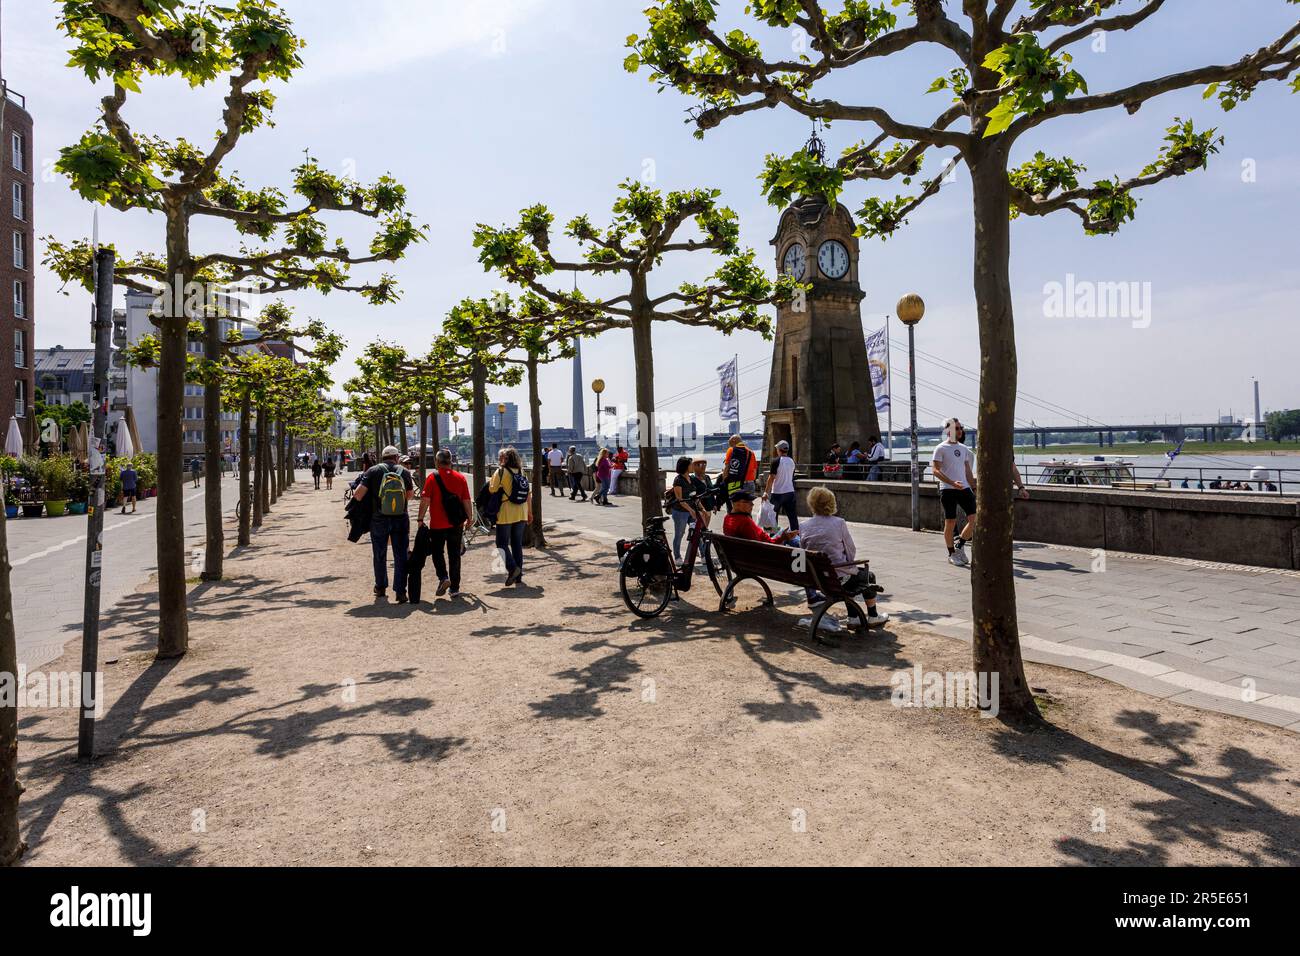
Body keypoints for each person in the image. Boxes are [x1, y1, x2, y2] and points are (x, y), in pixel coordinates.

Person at [799, 486, 889, 625]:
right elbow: (850, 551)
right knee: (868, 576)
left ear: (812, 504)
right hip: (837, 579)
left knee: (847, 576)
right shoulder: (838, 523)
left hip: (817, 579)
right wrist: (847, 563)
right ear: (831, 503)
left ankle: (854, 617)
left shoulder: (804, 526)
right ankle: (872, 616)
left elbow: (803, 552)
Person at [352, 445, 416, 601]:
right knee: (400, 555)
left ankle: (380, 587)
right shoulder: (404, 472)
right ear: (396, 457)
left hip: (378, 519)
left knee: (379, 554)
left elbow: (358, 495)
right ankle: (400, 592)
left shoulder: (372, 471)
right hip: (400, 518)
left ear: (382, 457)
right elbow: (409, 496)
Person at [418, 448, 473, 597]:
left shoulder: (432, 478)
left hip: (437, 524)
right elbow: (466, 500)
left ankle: (443, 577)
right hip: (456, 523)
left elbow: (425, 501)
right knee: (454, 554)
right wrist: (470, 517)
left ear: (437, 462)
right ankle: (454, 588)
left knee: (437, 552)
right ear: (451, 461)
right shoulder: (460, 478)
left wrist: (420, 519)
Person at [930, 417, 977, 567]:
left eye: (960, 428)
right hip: (948, 489)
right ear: (948, 430)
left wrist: (974, 487)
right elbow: (935, 470)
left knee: (975, 520)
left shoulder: (963, 449)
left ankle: (960, 546)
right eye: (956, 428)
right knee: (950, 522)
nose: (959, 430)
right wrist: (951, 483)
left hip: (964, 489)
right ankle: (951, 554)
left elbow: (968, 471)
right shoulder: (941, 448)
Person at [489, 447, 532, 585]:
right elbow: (528, 494)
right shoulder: (521, 472)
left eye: (501, 457)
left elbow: (492, 489)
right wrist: (529, 513)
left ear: (505, 459)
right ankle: (518, 576)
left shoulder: (501, 472)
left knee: (501, 543)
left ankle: (513, 569)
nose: (499, 459)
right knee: (516, 544)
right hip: (521, 511)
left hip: (506, 512)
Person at [723, 489, 798, 544]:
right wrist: (783, 538)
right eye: (748, 502)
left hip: (743, 552)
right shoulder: (745, 521)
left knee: (778, 529)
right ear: (737, 504)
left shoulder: (727, 518)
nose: (752, 504)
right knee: (794, 539)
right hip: (765, 549)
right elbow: (762, 545)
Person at [669, 456, 702, 561]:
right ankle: (677, 557)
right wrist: (691, 510)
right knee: (679, 534)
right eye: (691, 464)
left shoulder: (691, 478)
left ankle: (704, 555)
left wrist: (702, 509)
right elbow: (680, 499)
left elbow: (694, 496)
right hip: (680, 511)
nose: (693, 466)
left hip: (692, 510)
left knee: (697, 533)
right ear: (685, 466)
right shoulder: (678, 480)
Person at [762, 439, 799, 532]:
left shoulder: (776, 461)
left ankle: (773, 537)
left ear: (779, 449)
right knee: (793, 517)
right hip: (790, 492)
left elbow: (771, 478)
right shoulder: (792, 461)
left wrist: (766, 492)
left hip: (778, 493)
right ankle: (797, 535)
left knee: (773, 517)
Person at [720, 434, 758, 508]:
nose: (729, 445)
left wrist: (724, 482)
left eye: (729, 443)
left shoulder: (732, 450)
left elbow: (727, 468)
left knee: (734, 509)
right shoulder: (751, 452)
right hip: (750, 484)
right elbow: (754, 470)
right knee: (747, 509)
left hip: (735, 484)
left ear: (734, 441)